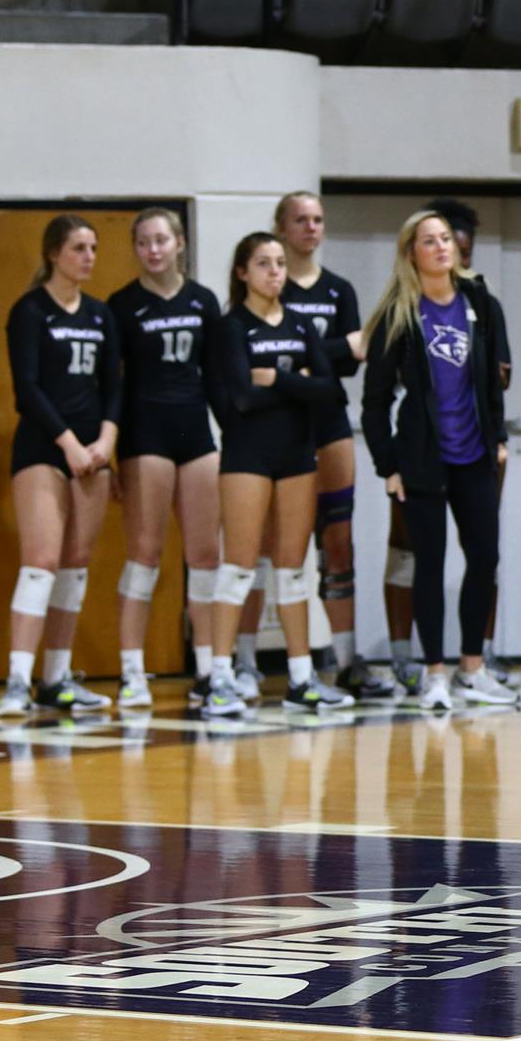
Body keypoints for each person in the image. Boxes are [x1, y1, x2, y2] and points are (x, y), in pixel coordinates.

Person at [232, 194, 386, 702]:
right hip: (274, 432)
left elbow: (350, 359)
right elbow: (340, 350)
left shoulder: (336, 288)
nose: (311, 228)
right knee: (258, 547)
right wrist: (319, 363)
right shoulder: (264, 286)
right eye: (300, 220)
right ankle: (247, 660)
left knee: (336, 542)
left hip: (328, 421)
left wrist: (294, 370)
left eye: (318, 220)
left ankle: (344, 661)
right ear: (279, 228)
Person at [361, 211, 518, 711]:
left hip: (475, 457)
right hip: (422, 462)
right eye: (428, 241)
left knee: (485, 560)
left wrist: (496, 439)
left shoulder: (480, 303)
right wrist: (388, 466)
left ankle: (472, 667)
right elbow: (373, 401)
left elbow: (492, 382)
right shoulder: (399, 313)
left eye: (445, 238)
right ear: (412, 253)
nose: (440, 247)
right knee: (428, 565)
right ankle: (434, 674)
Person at [204, 232, 355, 716]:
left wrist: (276, 378)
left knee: (293, 570)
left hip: (296, 456)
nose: (274, 271)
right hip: (247, 457)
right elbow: (239, 399)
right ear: (242, 272)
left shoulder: (298, 324)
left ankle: (300, 678)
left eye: (279, 263)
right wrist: (301, 385)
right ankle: (221, 677)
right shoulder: (230, 328)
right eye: (263, 263)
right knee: (239, 567)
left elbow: (331, 392)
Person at [0, 216, 122, 717]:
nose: (89, 256)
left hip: (94, 449)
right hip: (44, 447)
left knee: (76, 563)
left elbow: (114, 384)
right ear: (54, 253)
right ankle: (15, 681)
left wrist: (107, 437)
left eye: (93, 247)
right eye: (78, 248)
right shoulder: (30, 312)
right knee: (42, 561)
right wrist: (68, 443)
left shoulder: (99, 314)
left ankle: (56, 678)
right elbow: (26, 389)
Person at [108, 209, 224, 712]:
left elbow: (219, 373)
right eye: (143, 243)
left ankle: (207, 668)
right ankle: (133, 671)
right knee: (145, 553)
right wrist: (111, 450)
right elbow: (111, 384)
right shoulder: (122, 305)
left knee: (205, 556)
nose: (153, 250)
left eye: (161, 240)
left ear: (179, 243)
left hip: (195, 431)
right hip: (145, 434)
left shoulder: (203, 301)